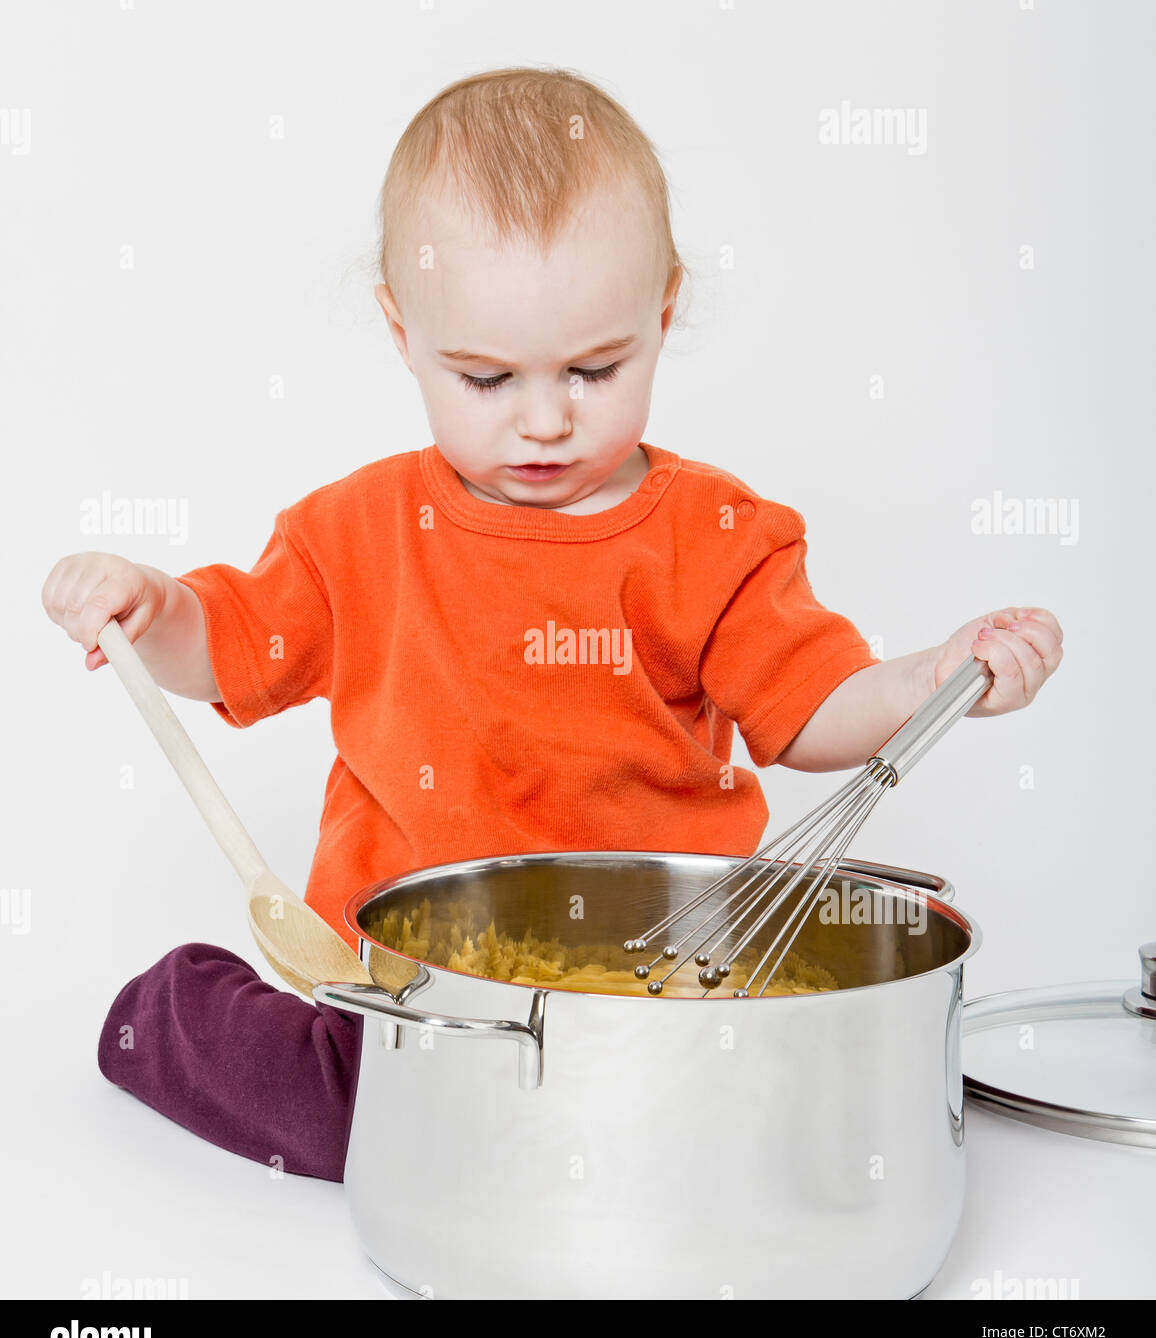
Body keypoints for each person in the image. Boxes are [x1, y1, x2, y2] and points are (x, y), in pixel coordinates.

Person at [42, 67, 1063, 1183]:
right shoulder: (360, 530)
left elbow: (810, 708)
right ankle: (179, 1012)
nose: (543, 421)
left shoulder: (717, 535)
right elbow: (230, 640)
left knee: (754, 1135)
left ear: (663, 311)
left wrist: (928, 676)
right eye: (486, 378)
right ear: (402, 329)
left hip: (671, 986)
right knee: (366, 1126)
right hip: (426, 1001)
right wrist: (155, 607)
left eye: (594, 368)